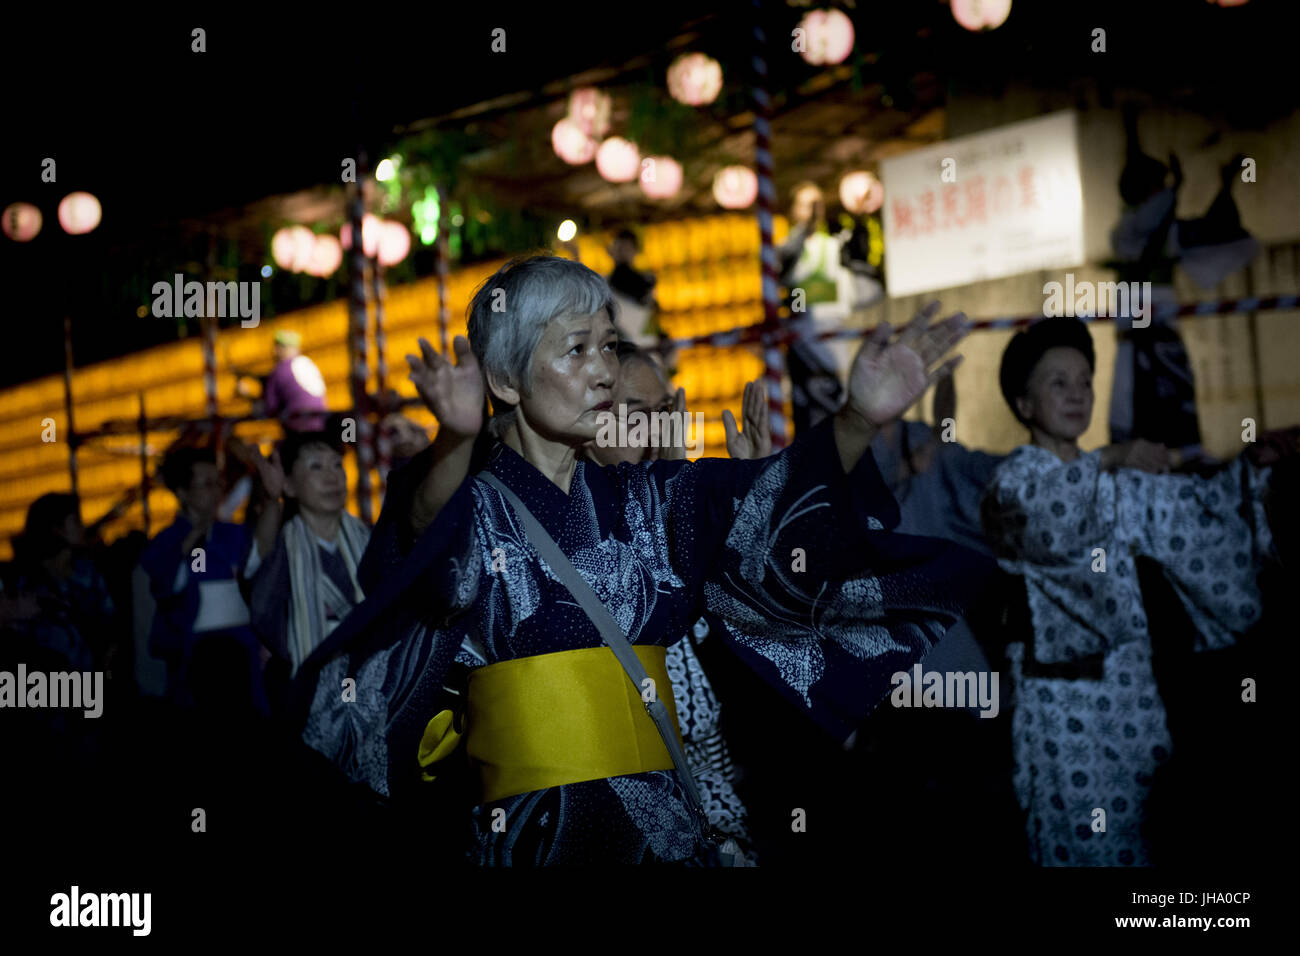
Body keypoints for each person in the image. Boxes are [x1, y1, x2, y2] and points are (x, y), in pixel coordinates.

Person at [292, 254, 992, 866]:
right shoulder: (471, 499)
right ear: (504, 381)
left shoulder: (646, 498)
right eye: (576, 350)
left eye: (607, 345)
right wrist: (453, 440)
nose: (602, 370)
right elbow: (424, 531)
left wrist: (856, 419)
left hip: (665, 828)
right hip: (533, 833)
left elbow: (767, 499)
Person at [981, 317, 1278, 866]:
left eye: (1085, 381)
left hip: (1131, 684)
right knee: (1083, 839)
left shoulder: (1116, 479)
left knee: (1144, 830)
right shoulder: (1016, 483)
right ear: (1023, 405)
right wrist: (1111, 458)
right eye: (1058, 383)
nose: (1077, 394)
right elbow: (1046, 519)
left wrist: (1251, 472)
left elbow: (1196, 514)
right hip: (1059, 699)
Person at [584, 340, 771, 860]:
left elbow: (764, 626)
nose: (658, 432)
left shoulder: (683, 507)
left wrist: (752, 495)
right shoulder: (581, 530)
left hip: (717, 805)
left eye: (667, 412)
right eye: (637, 415)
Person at [138, 446, 268, 714]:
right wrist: (189, 544)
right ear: (182, 493)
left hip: (243, 653)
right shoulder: (166, 543)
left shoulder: (234, 534)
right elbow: (164, 588)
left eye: (219, 482)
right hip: (194, 657)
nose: (217, 490)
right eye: (206, 484)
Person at [244, 431, 370, 693]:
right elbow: (260, 595)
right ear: (288, 485)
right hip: (308, 691)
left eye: (337, 464)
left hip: (372, 681)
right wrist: (271, 500)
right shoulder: (285, 551)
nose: (332, 476)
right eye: (316, 466)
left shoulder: (371, 541)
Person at [8, 493, 115, 674]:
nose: (82, 526)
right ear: (56, 529)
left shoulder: (88, 572)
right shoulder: (29, 583)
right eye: (75, 521)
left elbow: (108, 620)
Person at [247, 330, 329, 433]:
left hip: (298, 431)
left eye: (278, 347)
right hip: (322, 426)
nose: (274, 352)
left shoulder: (280, 369)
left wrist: (249, 396)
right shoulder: (308, 363)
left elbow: (270, 408)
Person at [605, 229, 659, 349]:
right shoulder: (606, 281)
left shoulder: (645, 281)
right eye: (619, 248)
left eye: (626, 248)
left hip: (641, 348)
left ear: (636, 251)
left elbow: (625, 280)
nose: (622, 253)